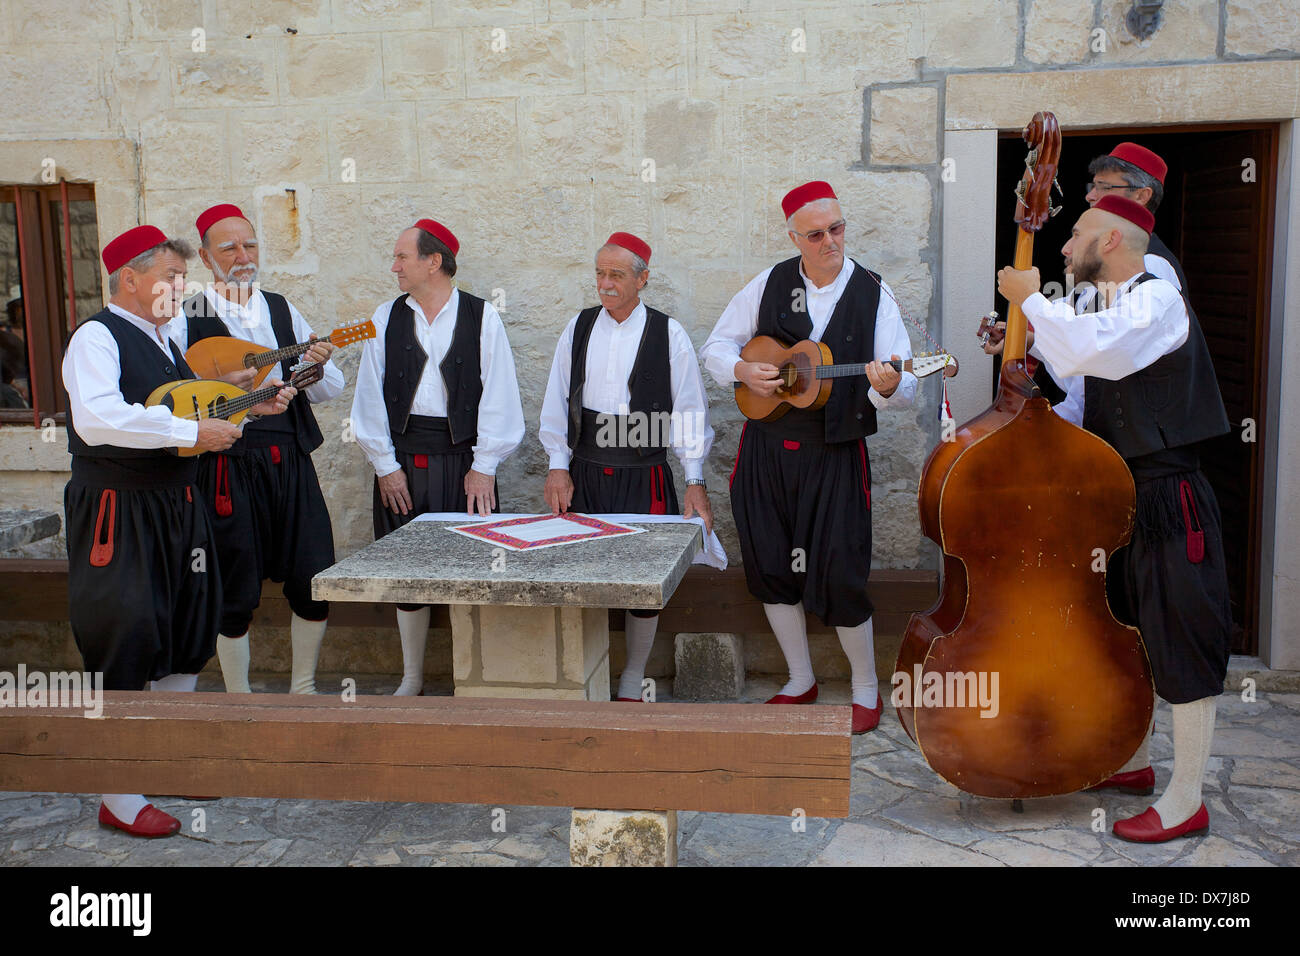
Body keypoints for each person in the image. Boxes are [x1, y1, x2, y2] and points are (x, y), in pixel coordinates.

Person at [997, 194, 1232, 843]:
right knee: (1127, 634)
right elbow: (1079, 392)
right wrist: (1024, 364)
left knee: (1181, 642)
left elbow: (1089, 348)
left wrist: (1029, 299)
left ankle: (1187, 802)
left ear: (1114, 243)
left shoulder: (1154, 297)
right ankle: (1134, 760)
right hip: (1117, 497)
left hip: (1169, 495)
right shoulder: (1106, 306)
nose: (1065, 250)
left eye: (1076, 236)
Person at [63, 225, 292, 836]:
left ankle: (163, 761)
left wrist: (248, 404)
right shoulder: (96, 337)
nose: (179, 288)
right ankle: (119, 792)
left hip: (175, 504)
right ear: (129, 279)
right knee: (128, 633)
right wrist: (193, 435)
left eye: (181, 278)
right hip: (121, 508)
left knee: (188, 625)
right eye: (169, 277)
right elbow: (99, 419)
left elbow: (183, 405)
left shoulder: (165, 339)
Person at [700, 181, 915, 734]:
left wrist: (885, 385)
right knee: (770, 563)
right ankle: (800, 679)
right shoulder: (768, 283)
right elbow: (716, 349)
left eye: (837, 229)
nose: (830, 242)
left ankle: (866, 687)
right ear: (793, 236)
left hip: (836, 450)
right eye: (815, 234)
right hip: (767, 450)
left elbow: (906, 385)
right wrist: (745, 372)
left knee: (841, 568)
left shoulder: (874, 293)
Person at [175, 204, 345, 696]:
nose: (242, 255)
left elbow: (326, 389)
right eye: (228, 247)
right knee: (233, 581)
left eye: (249, 244)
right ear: (206, 257)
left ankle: (304, 689)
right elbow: (180, 401)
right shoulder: (188, 316)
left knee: (313, 569)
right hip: (226, 463)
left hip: (289, 455)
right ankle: (238, 698)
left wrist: (317, 363)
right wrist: (229, 393)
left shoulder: (279, 307)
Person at [351, 218, 525, 695]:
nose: (394, 267)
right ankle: (412, 677)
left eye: (402, 257)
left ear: (434, 262)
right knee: (407, 570)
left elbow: (501, 396)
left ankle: (473, 678)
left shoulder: (482, 316)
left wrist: (484, 467)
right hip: (402, 462)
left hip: (465, 462)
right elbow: (368, 399)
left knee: (472, 567)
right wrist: (386, 468)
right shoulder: (383, 318)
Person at [539, 231, 715, 702]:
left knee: (644, 577)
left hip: (645, 471)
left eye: (616, 274)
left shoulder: (668, 333)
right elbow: (557, 400)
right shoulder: (577, 328)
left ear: (642, 279)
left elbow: (690, 412)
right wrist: (558, 465)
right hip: (587, 469)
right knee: (581, 572)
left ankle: (633, 677)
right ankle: (588, 675)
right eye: (600, 273)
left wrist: (694, 479)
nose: (605, 283)